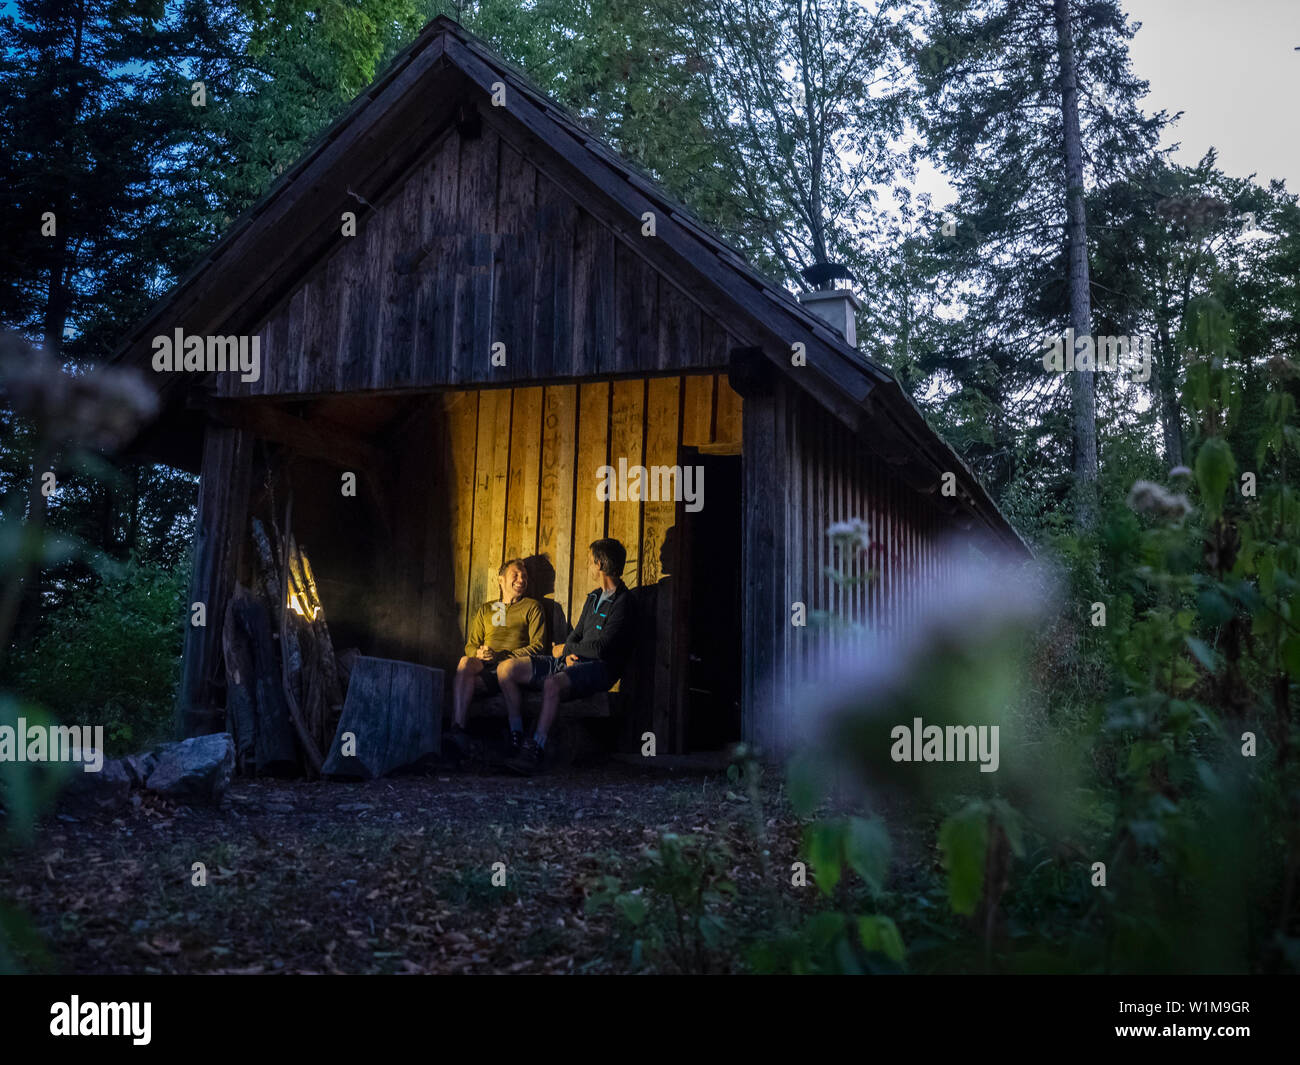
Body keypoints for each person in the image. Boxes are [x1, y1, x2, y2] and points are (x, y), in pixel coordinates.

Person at [497, 538, 637, 775]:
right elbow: (575, 636)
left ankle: (535, 750)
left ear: (600, 564)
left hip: (600, 669)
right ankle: (516, 737)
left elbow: (602, 648)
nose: (588, 566)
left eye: (590, 562)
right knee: (506, 669)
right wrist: (570, 652)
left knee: (553, 683)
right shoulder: (593, 597)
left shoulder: (624, 601)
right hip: (573, 662)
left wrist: (569, 650)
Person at [447, 559, 545, 763]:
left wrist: (502, 656)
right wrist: (480, 653)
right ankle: (458, 731)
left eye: (524, 576)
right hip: (486, 668)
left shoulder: (532, 607)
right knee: (465, 662)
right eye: (516, 575)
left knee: (469, 682)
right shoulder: (487, 609)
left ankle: (501, 738)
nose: (521, 579)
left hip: (514, 668)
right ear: (501, 580)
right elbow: (471, 645)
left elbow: (538, 646)